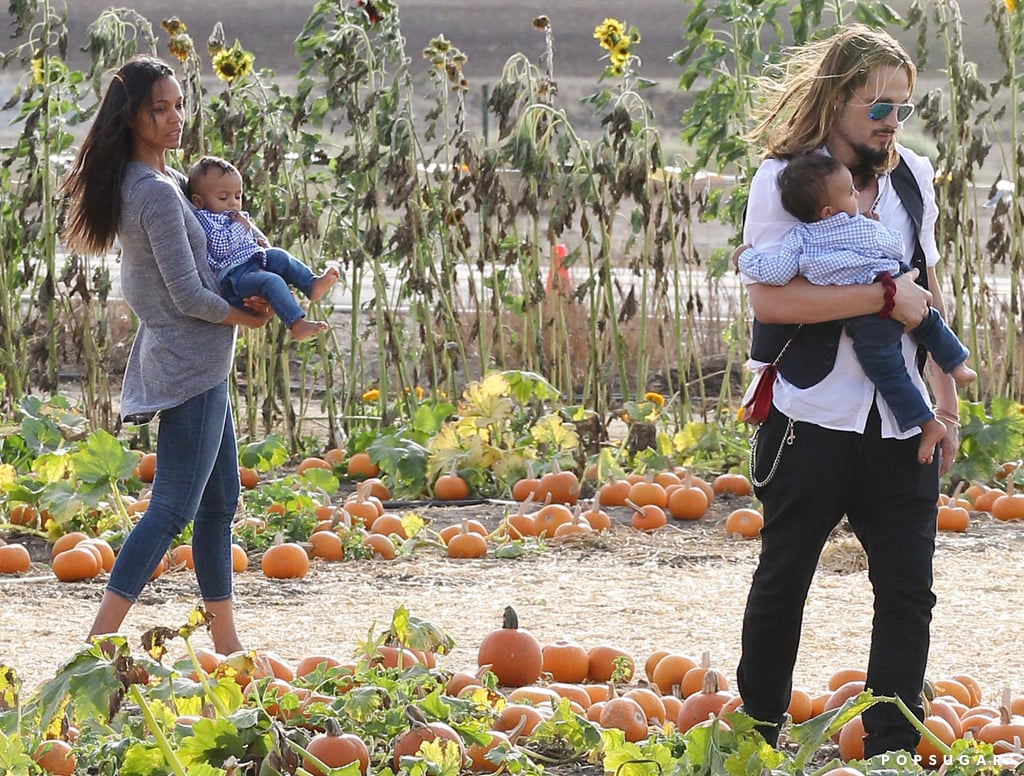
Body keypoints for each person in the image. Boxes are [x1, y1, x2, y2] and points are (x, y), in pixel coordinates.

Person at [734, 25, 964, 757]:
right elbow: (772, 302)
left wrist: (946, 403)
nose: (891, 120)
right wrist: (877, 299)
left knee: (907, 594)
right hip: (812, 416)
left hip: (902, 426)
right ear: (838, 100)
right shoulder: (781, 181)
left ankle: (893, 751)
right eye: (877, 106)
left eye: (902, 106)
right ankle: (759, 737)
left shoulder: (912, 178)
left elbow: (925, 288)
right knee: (782, 584)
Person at [60, 56, 273, 655]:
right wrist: (245, 316)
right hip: (190, 364)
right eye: (161, 108)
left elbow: (206, 259)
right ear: (132, 118)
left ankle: (227, 645)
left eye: (179, 104)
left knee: (220, 499)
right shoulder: (152, 192)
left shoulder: (167, 180)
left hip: (200, 360)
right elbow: (186, 294)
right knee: (173, 508)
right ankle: (97, 644)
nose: (176, 117)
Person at [735, 152, 976, 464]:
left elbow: (776, 273)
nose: (858, 195)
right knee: (930, 322)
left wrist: (744, 257)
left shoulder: (800, 238)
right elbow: (897, 247)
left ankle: (926, 422)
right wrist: (878, 233)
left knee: (890, 374)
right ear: (828, 209)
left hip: (865, 322)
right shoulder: (861, 225)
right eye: (850, 192)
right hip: (891, 290)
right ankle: (957, 364)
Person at [187, 155, 339, 342]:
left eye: (237, 196)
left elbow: (246, 239)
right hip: (233, 277)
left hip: (250, 262)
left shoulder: (232, 215)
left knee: (279, 256)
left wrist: (257, 244)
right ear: (199, 201)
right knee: (271, 282)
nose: (233, 202)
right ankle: (297, 324)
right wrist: (241, 226)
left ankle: (311, 284)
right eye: (223, 197)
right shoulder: (205, 218)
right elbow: (220, 247)